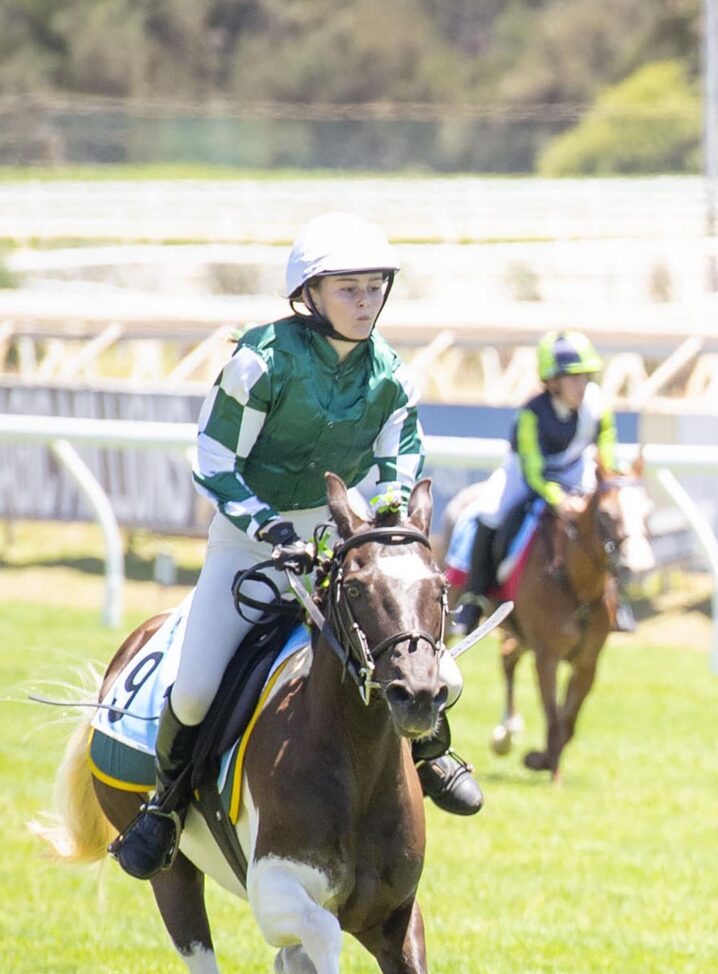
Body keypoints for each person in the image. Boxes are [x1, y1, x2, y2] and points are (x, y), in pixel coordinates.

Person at [109, 213, 481, 881]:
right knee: (193, 690)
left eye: (374, 289)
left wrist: (386, 522)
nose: (365, 302)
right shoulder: (260, 361)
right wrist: (275, 531)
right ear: (308, 294)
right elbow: (215, 460)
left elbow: (402, 457)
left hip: (341, 538)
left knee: (435, 669)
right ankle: (162, 808)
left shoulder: (390, 372)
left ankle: (429, 752)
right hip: (250, 544)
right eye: (349, 289)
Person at [453, 329, 622, 634]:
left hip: (574, 469)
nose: (581, 385)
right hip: (525, 474)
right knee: (490, 512)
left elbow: (607, 441)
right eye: (573, 378)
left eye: (585, 377)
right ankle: (474, 597)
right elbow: (533, 471)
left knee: (609, 517)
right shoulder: (531, 413)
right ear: (552, 382)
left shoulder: (597, 405)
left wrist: (609, 474)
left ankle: (615, 600)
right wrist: (558, 499)